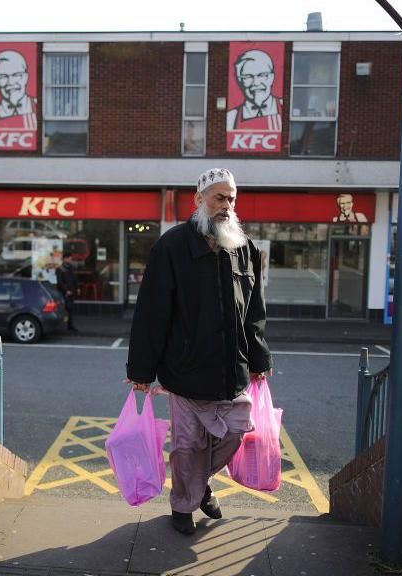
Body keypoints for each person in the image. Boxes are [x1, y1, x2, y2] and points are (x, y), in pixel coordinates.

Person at [126, 168, 271, 535]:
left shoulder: (245, 248)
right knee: (188, 446)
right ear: (199, 200)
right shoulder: (172, 247)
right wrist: (141, 371)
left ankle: (198, 483)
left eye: (232, 199)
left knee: (237, 432)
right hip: (186, 372)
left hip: (231, 372)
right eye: (219, 197)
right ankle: (183, 505)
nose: (227, 205)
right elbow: (152, 312)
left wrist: (260, 359)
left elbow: (254, 312)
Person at [226, 49, 282, 132]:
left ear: (272, 77)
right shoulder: (231, 117)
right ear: (239, 81)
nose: (256, 83)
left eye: (262, 75)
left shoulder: (283, 108)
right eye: (248, 77)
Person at [0, 49, 37, 131]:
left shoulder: (38, 107)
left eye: (16, 75)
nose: (11, 82)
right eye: (3, 76)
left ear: (26, 77)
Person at [56, 251, 78, 331]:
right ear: (65, 259)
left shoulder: (71, 268)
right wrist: (66, 290)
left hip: (71, 291)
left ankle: (70, 325)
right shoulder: (60, 269)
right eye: (69, 259)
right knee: (65, 308)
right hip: (64, 292)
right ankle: (63, 325)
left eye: (71, 259)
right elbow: (60, 282)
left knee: (70, 309)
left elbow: (74, 279)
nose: (70, 260)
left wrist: (76, 288)